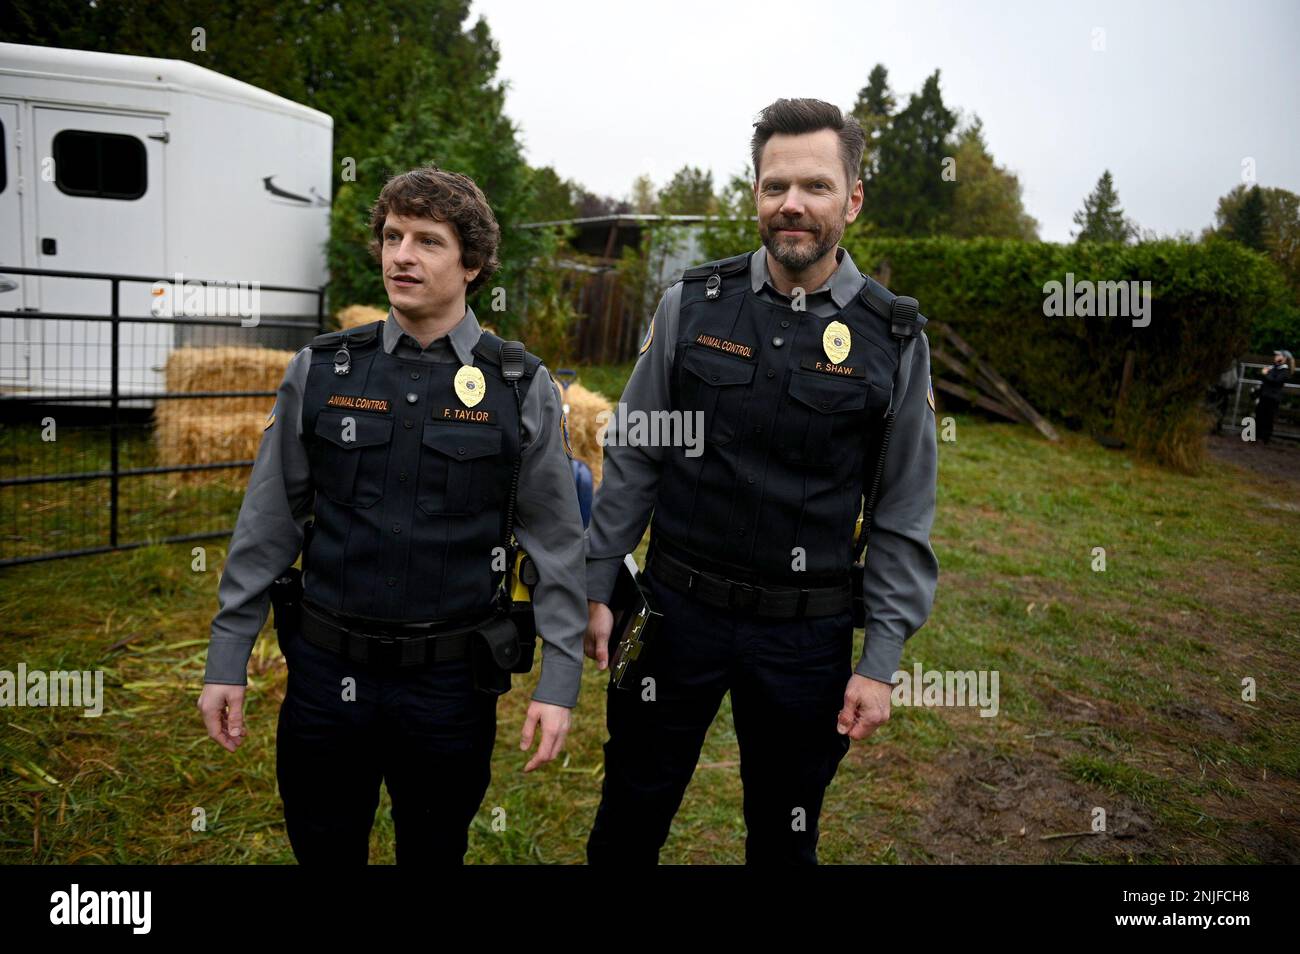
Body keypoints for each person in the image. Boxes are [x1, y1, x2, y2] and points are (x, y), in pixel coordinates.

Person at [582, 98, 939, 864]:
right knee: (626, 824)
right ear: (755, 195)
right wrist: (592, 581)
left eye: (815, 185)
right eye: (775, 186)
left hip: (804, 637)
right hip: (673, 614)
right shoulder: (693, 304)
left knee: (784, 839)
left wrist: (879, 663)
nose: (793, 205)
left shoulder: (893, 337)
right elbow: (637, 452)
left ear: (853, 197)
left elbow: (903, 510)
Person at [196, 166, 586, 864]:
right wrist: (227, 658)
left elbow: (557, 545)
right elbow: (267, 525)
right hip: (323, 678)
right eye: (392, 236)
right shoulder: (321, 370)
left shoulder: (521, 386)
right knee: (322, 849)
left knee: (434, 852)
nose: (401, 254)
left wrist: (559, 681)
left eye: (427, 241)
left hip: (449, 689)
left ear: (471, 264)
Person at [1255, 349, 1294, 444]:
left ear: (1284, 358)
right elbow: (1265, 379)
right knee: (1260, 416)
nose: (1276, 357)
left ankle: (1265, 438)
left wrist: (1265, 374)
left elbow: (1275, 381)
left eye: (1278, 355)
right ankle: (1257, 436)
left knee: (1269, 417)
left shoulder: (1284, 371)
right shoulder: (1273, 368)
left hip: (1272, 398)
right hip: (1264, 395)